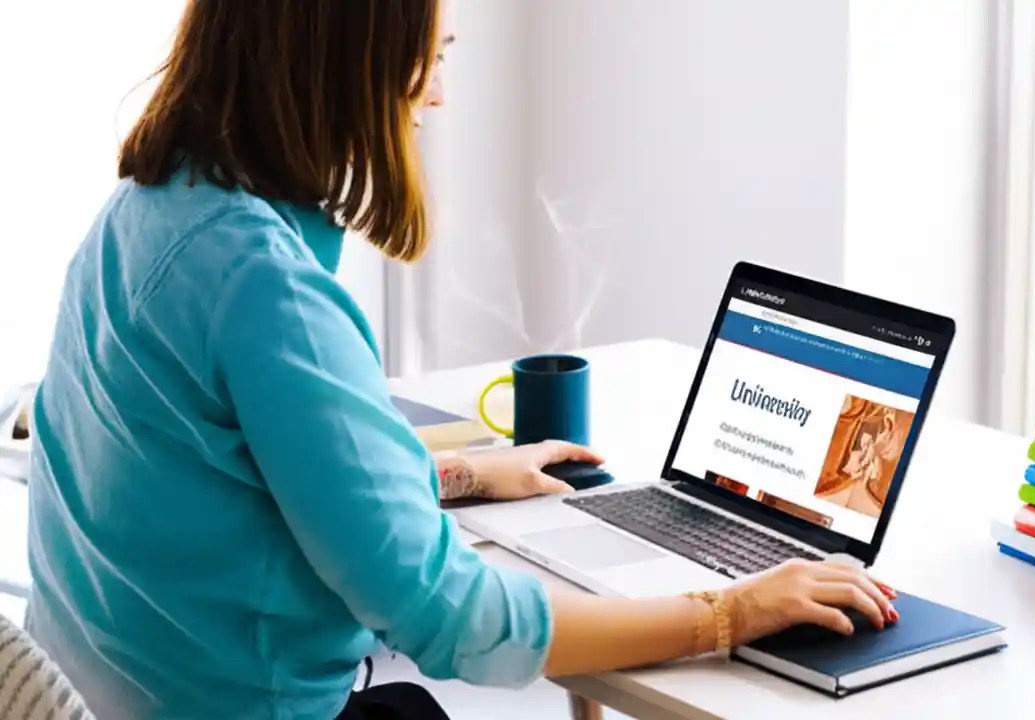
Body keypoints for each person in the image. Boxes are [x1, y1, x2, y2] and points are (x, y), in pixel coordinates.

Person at [24, 2, 899, 718]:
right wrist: (729, 612)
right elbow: (445, 616)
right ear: (346, 63)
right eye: (429, 56)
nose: (435, 94)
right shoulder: (264, 287)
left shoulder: (146, 211)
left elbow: (241, 485)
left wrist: (464, 478)